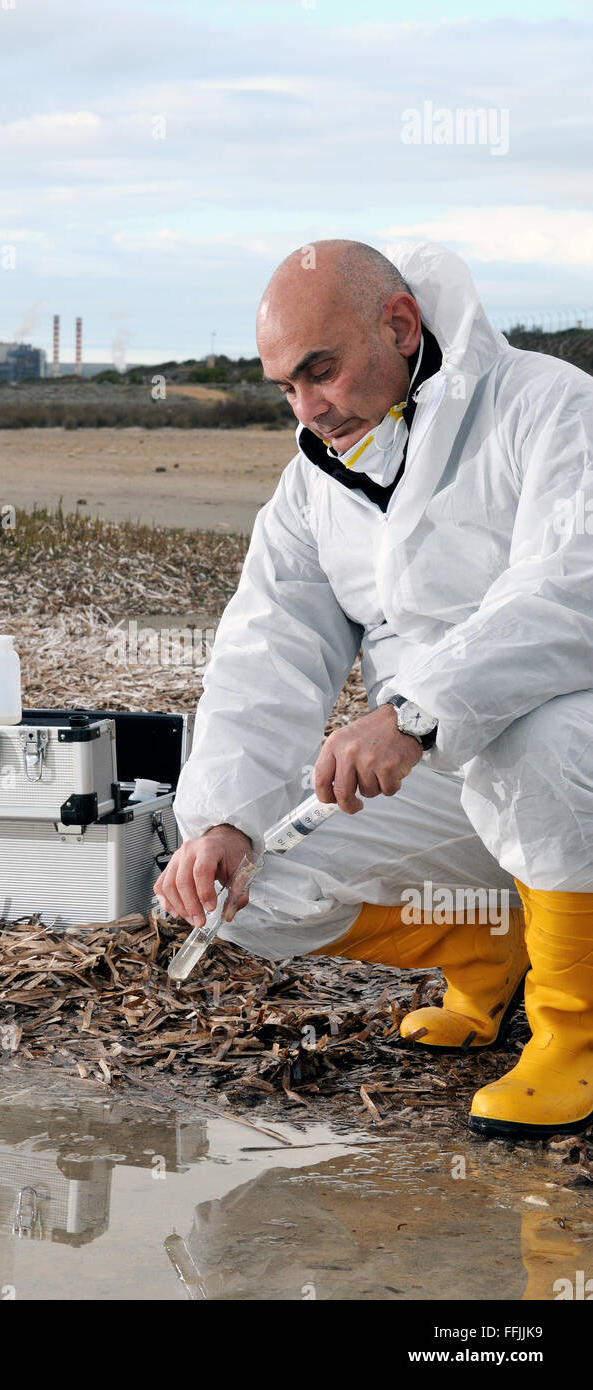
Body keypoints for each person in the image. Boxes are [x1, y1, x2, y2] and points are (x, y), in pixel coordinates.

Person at [155, 239, 593, 1140]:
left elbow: (568, 591)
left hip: (567, 759)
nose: (309, 410)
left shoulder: (549, 408)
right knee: (245, 888)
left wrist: (415, 713)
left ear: (399, 325)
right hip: (443, 770)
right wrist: (225, 819)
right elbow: (266, 646)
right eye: (286, 387)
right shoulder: (311, 484)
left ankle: (571, 1034)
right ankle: (488, 945)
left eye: (323, 371)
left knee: (540, 742)